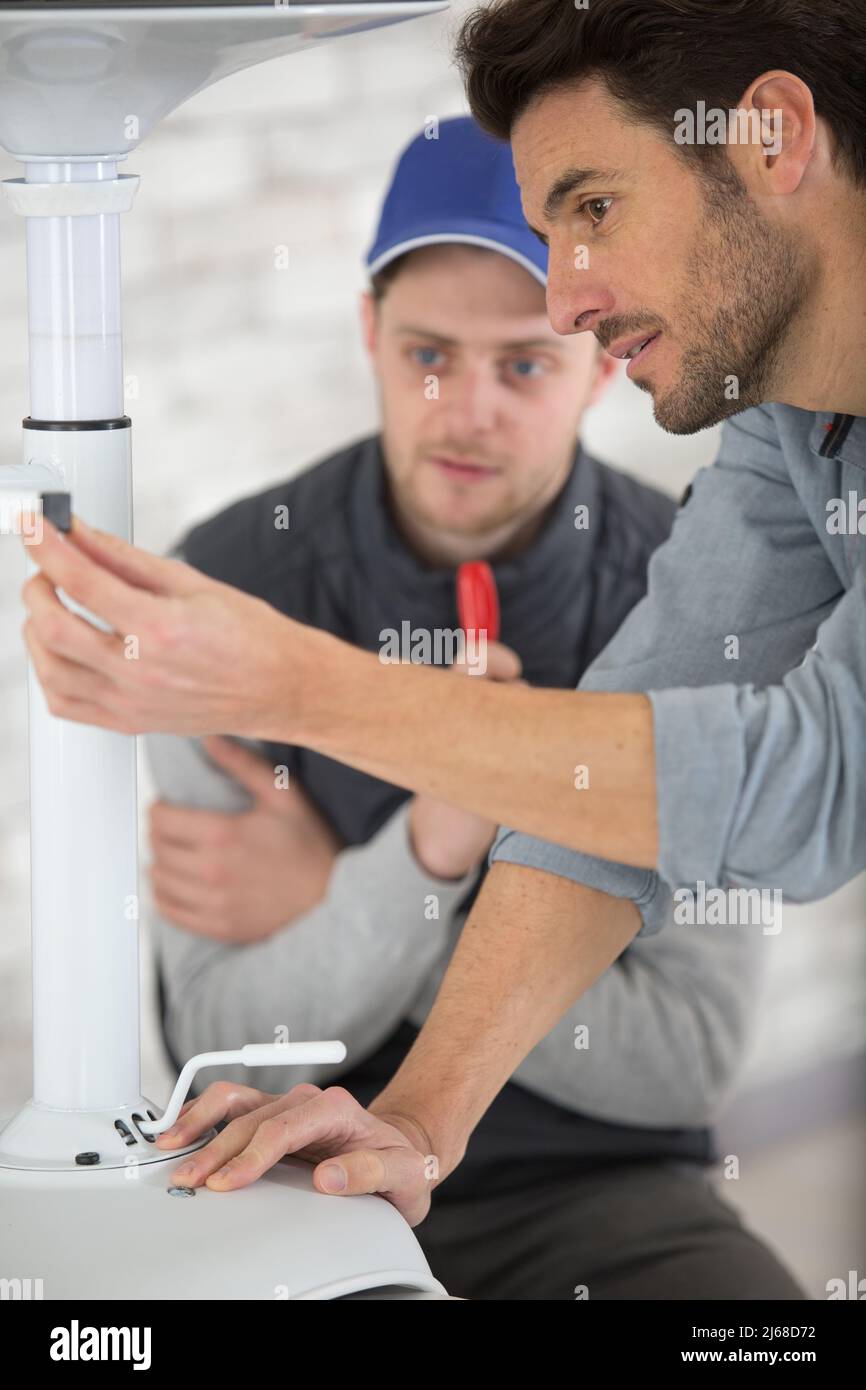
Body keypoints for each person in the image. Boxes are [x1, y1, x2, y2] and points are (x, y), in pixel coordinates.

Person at [21, 0, 866, 1229]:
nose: (567, 300)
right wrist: (420, 1117)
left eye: (592, 209)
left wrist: (296, 694)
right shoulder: (785, 420)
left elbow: (815, 785)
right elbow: (621, 788)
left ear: (770, 137)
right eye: (549, 230)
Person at [142, 116, 802, 1300]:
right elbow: (214, 1036)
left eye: (522, 362)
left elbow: (683, 1063)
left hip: (604, 1196)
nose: (468, 409)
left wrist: (394, 883)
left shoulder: (705, 590)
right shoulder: (231, 587)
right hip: (295, 1183)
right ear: (366, 333)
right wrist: (432, 836)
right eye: (427, 353)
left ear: (600, 362)